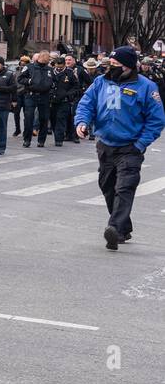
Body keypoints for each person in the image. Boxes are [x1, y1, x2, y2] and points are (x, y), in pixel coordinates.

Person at [76, 46, 165, 251]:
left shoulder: (146, 87)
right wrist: (82, 122)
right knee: (107, 186)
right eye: (111, 64)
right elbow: (86, 104)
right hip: (105, 144)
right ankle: (123, 226)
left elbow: (156, 120)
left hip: (130, 147)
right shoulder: (100, 82)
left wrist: (140, 144)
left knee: (124, 188)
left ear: (128, 66)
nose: (112, 68)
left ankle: (114, 229)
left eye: (116, 65)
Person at [18, 50, 54, 147]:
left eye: (48, 58)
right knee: (29, 118)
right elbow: (20, 79)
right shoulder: (29, 67)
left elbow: (54, 82)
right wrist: (29, 81)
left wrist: (51, 89)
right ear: (40, 57)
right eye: (46, 58)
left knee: (44, 118)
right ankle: (27, 140)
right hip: (31, 95)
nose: (48, 60)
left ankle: (41, 140)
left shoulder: (49, 69)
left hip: (44, 96)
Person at [49, 55, 81, 147]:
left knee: (61, 119)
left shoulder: (70, 73)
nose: (58, 68)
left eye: (61, 67)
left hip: (64, 101)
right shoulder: (50, 72)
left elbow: (76, 86)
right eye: (57, 66)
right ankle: (56, 134)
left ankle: (59, 139)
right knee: (53, 119)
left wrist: (68, 94)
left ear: (64, 65)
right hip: (52, 100)